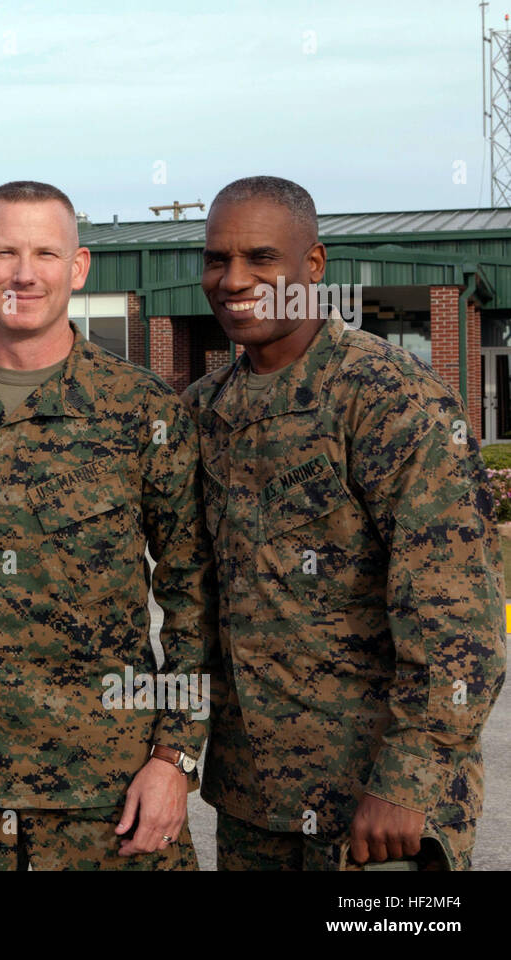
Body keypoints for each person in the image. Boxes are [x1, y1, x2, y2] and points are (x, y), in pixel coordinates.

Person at [183, 175, 506, 870]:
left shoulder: (391, 400)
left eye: (261, 258)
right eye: (216, 259)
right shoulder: (205, 412)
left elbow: (460, 623)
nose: (233, 279)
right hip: (254, 804)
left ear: (313, 267)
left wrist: (407, 784)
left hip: (379, 816)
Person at [0, 181, 216, 870]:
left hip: (108, 794)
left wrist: (175, 758)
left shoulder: (139, 411)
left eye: (45, 252)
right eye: (4, 252)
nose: (25, 273)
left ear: (79, 267)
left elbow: (196, 598)